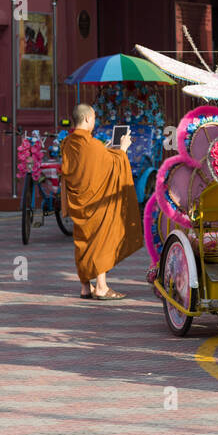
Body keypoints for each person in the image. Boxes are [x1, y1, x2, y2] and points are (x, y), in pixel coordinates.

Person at [59, 103, 144, 300]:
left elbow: (84, 166)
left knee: (82, 240)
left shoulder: (68, 143)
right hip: (96, 204)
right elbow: (113, 164)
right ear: (88, 118)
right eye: (94, 118)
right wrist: (122, 149)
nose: (94, 122)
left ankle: (85, 287)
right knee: (99, 239)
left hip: (79, 203)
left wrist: (105, 151)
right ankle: (101, 287)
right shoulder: (92, 145)